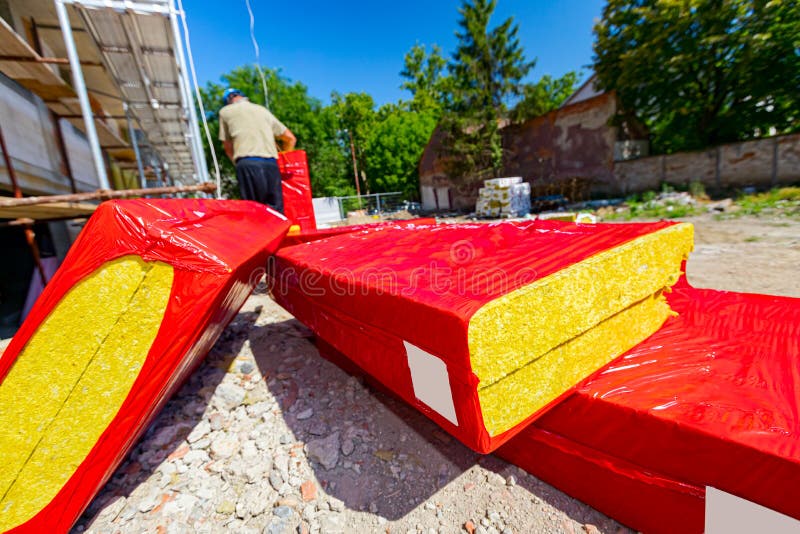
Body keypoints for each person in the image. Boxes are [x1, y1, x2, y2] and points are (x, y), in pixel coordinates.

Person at [218, 88, 296, 213]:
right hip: (271, 165)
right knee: (276, 213)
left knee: (255, 212)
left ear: (228, 100)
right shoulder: (262, 110)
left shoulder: (225, 112)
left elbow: (227, 147)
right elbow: (290, 138)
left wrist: (237, 164)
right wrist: (282, 161)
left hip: (247, 162)